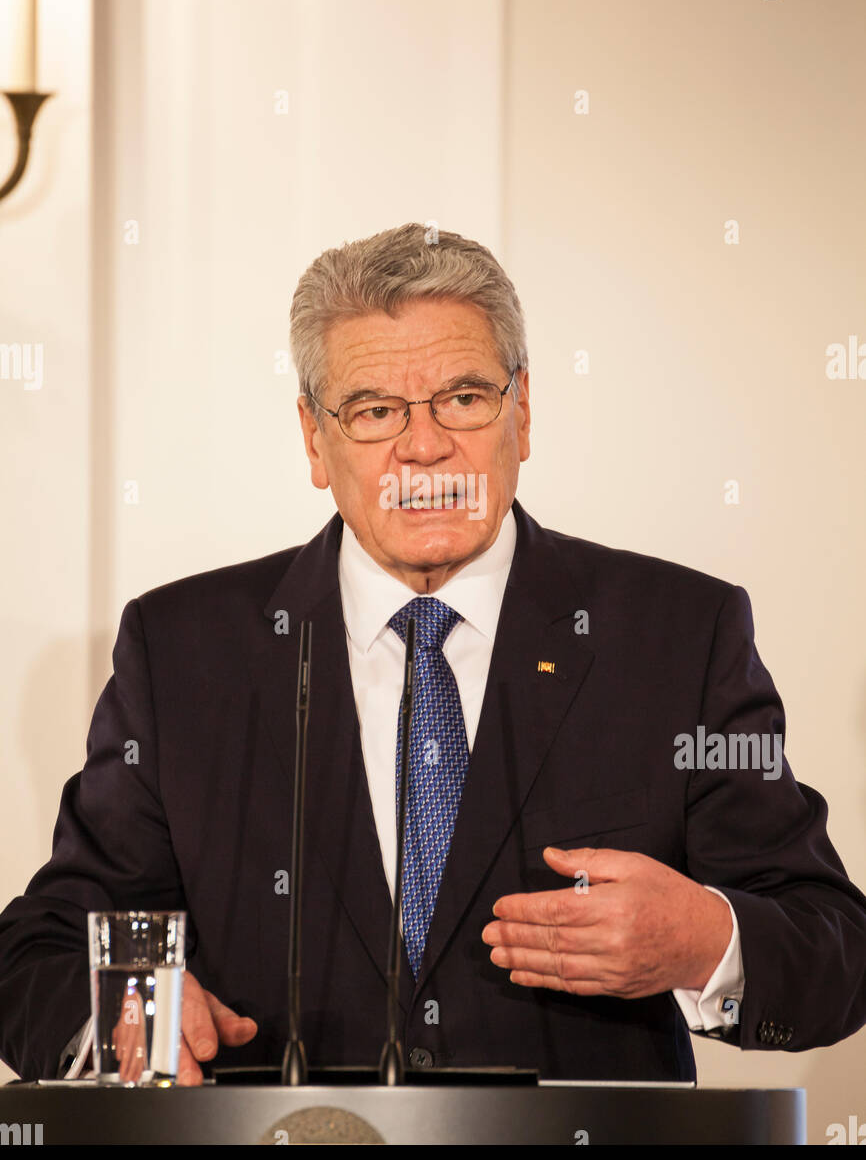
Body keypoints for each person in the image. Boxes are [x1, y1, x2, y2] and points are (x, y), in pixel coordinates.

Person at [1, 223, 865, 1084]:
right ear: (313, 438)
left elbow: (836, 949)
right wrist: (122, 1011)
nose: (423, 446)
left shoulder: (676, 634)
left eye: (463, 399)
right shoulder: (185, 652)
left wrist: (702, 941)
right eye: (375, 411)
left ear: (521, 411)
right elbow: (36, 956)